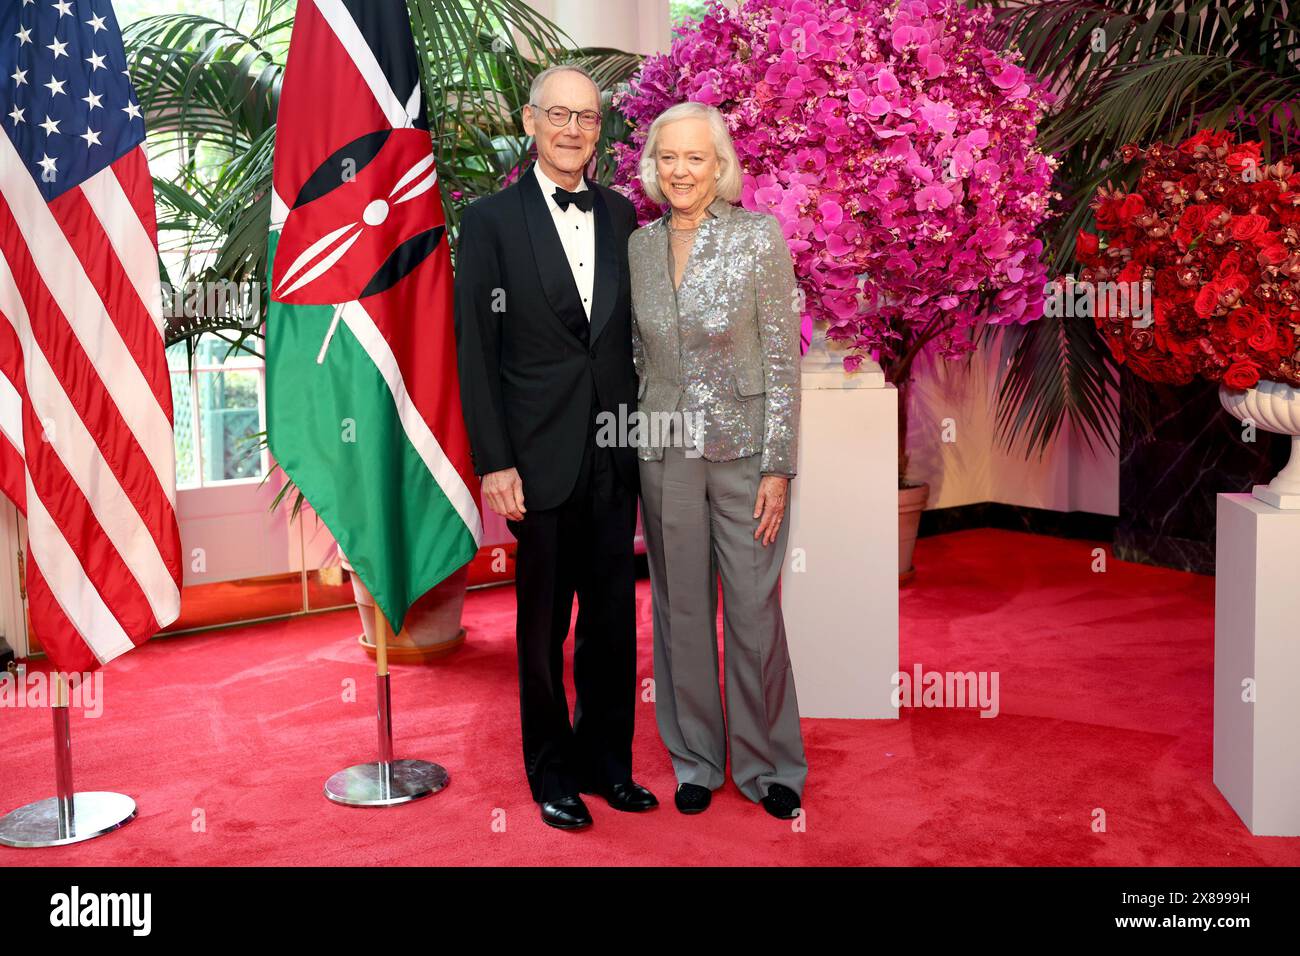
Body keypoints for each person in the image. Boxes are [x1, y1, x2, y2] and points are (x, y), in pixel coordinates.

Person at [453, 65, 657, 830]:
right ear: (532, 121)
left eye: (589, 118)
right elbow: (478, 350)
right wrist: (494, 461)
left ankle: (610, 766)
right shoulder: (490, 223)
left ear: (600, 130)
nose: (574, 130)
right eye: (559, 115)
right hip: (534, 461)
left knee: (612, 621)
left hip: (616, 449)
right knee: (543, 629)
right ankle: (553, 775)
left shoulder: (621, 214)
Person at [629, 101, 808, 819]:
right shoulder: (640, 246)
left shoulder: (759, 238)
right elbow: (639, 354)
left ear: (720, 164)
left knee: (755, 613)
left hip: (745, 455)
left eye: (695, 157)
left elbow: (781, 358)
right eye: (667, 157)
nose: (680, 171)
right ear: (653, 165)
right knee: (679, 610)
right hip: (665, 452)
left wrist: (779, 466)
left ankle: (768, 765)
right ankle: (696, 758)